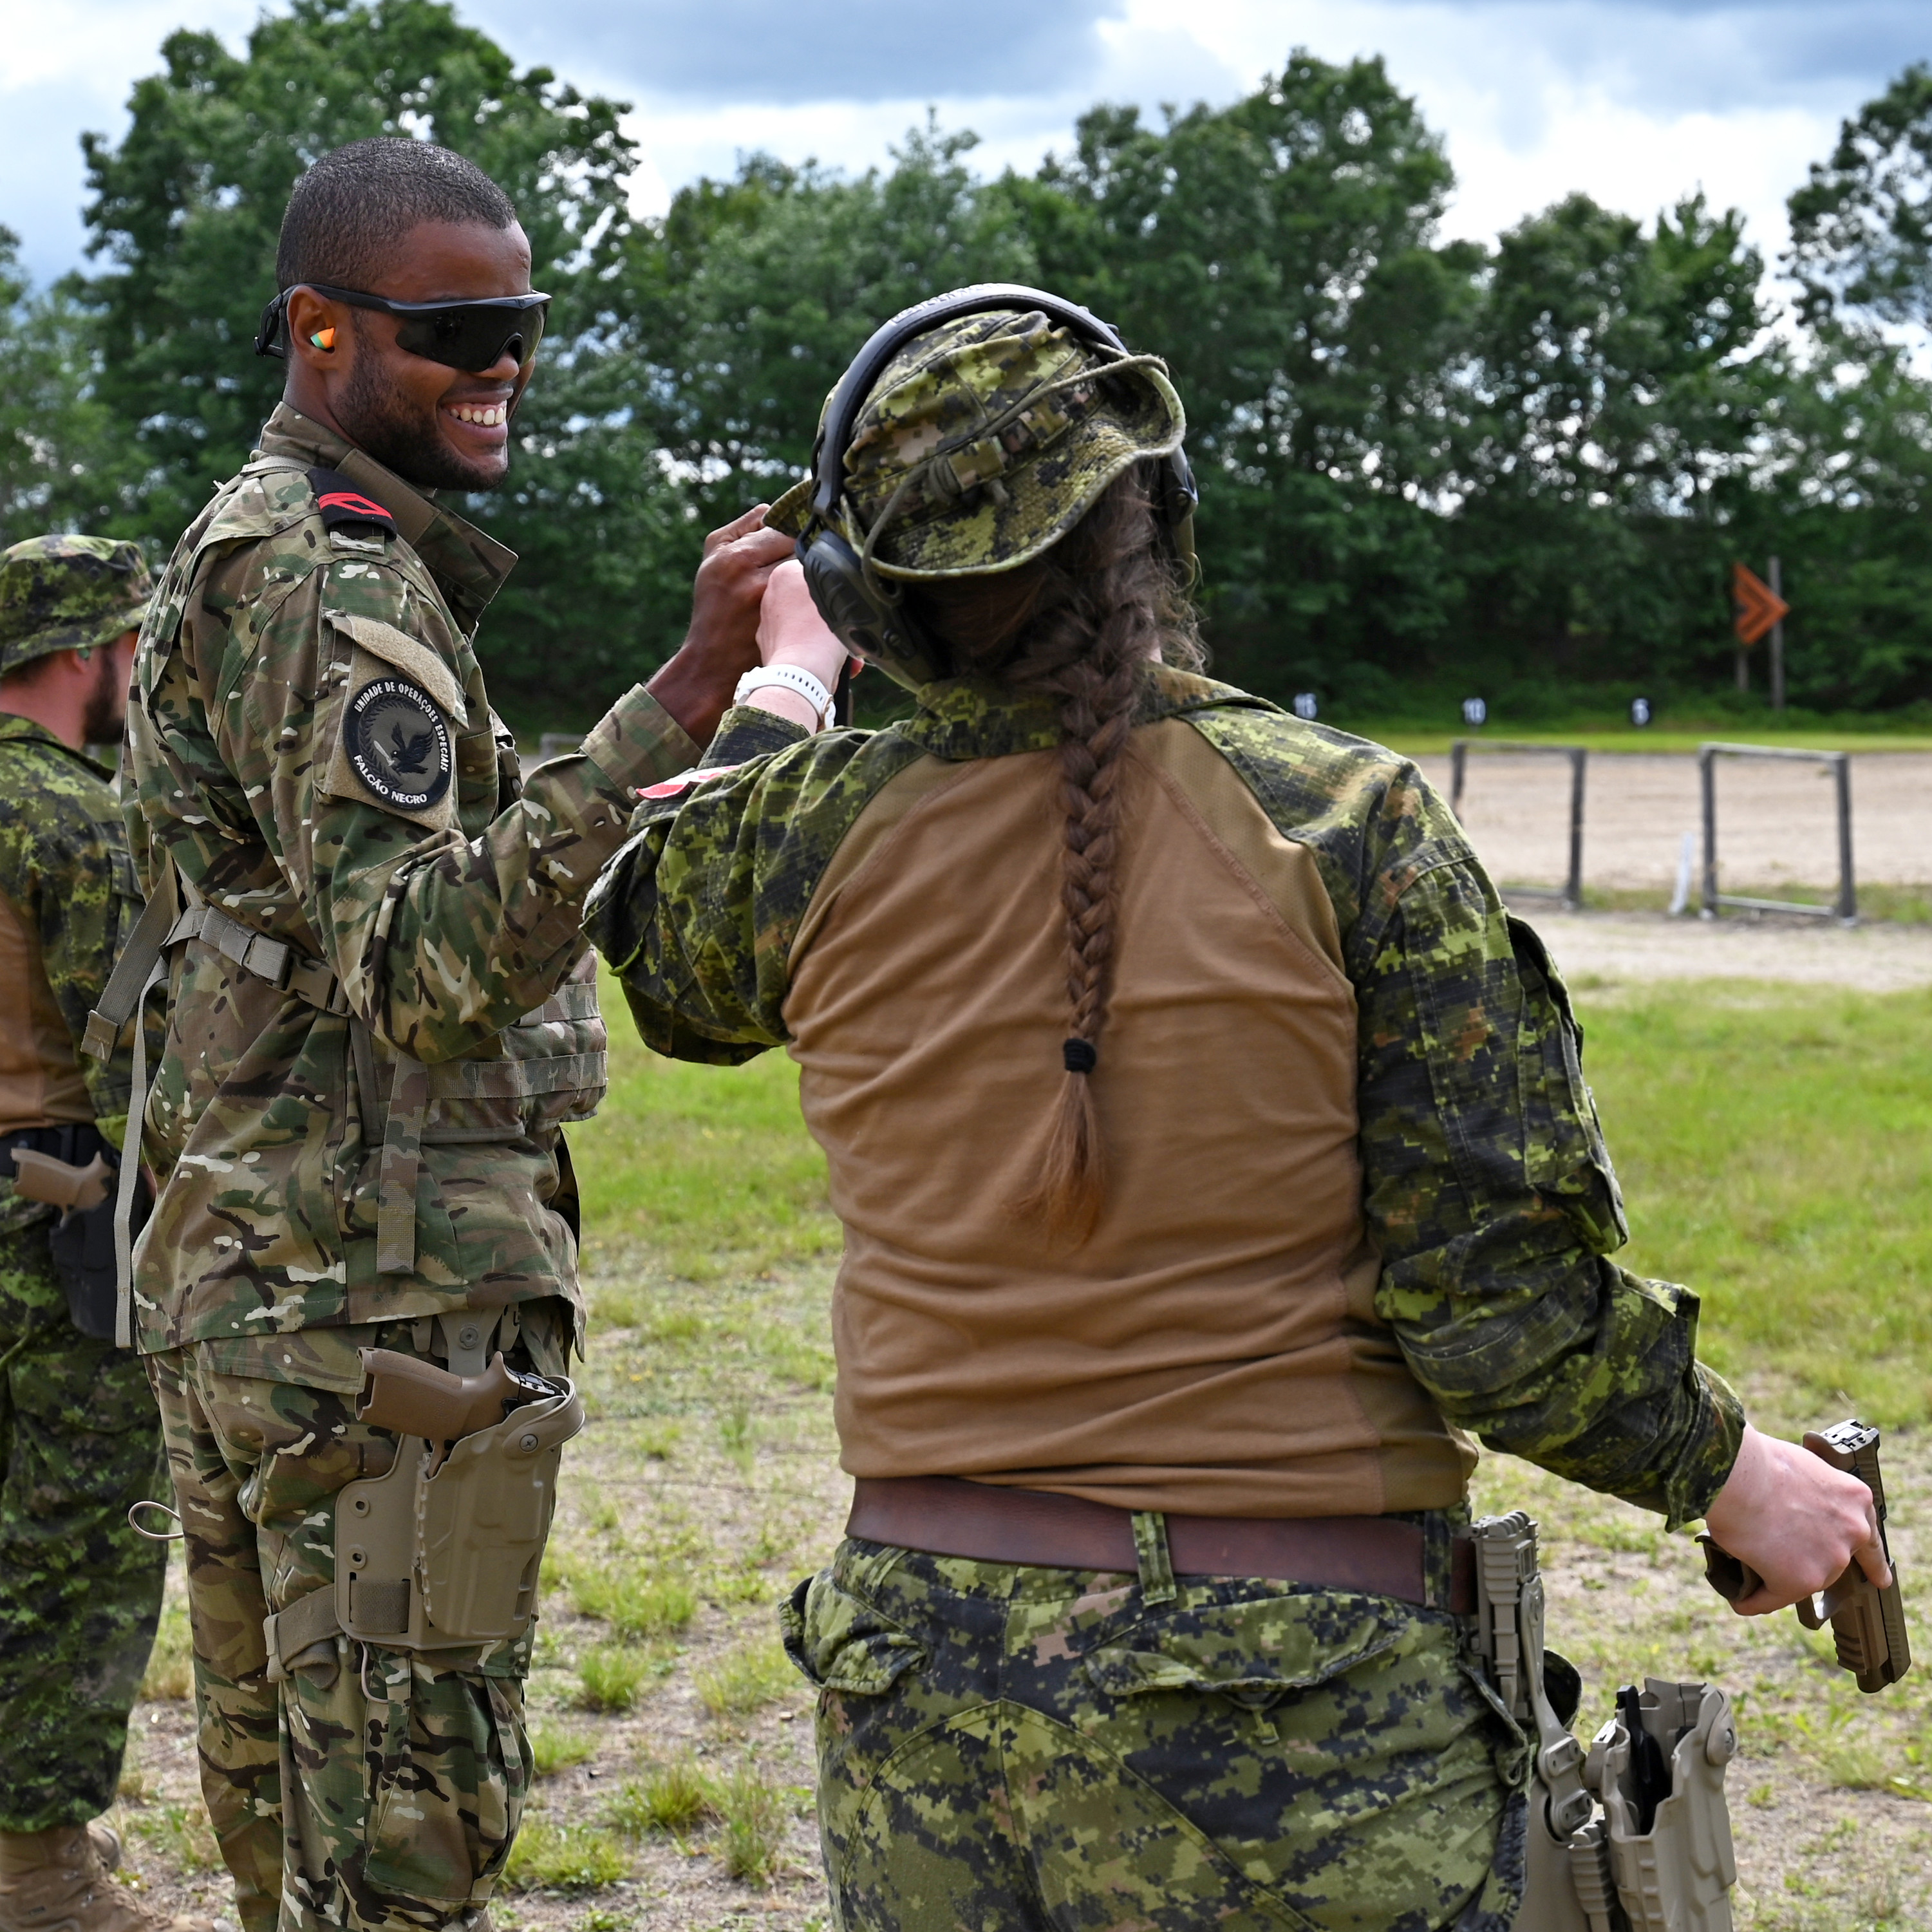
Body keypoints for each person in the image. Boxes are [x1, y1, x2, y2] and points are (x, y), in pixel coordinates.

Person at [583, 290, 1889, 1932]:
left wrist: (784, 681)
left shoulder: (803, 839)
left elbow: (653, 925)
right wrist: (1729, 1470)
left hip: (916, 1693)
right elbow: (1495, 1311)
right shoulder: (1345, 821)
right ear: (1156, 525)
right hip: (1306, 1712)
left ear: (874, 596)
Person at [117, 138, 789, 1932]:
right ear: (318, 331)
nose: (501, 370)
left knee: (305, 1838)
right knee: (402, 1848)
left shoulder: (279, 555)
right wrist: (689, 704)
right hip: (370, 1310)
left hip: (284, 1279)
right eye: (458, 329)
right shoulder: (333, 585)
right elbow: (419, 965)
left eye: (525, 330)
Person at [0, 535, 211, 1932]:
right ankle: (40, 1878)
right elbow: (147, 1048)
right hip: (49, 1224)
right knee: (70, 1544)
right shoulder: (73, 820)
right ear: (89, 656)